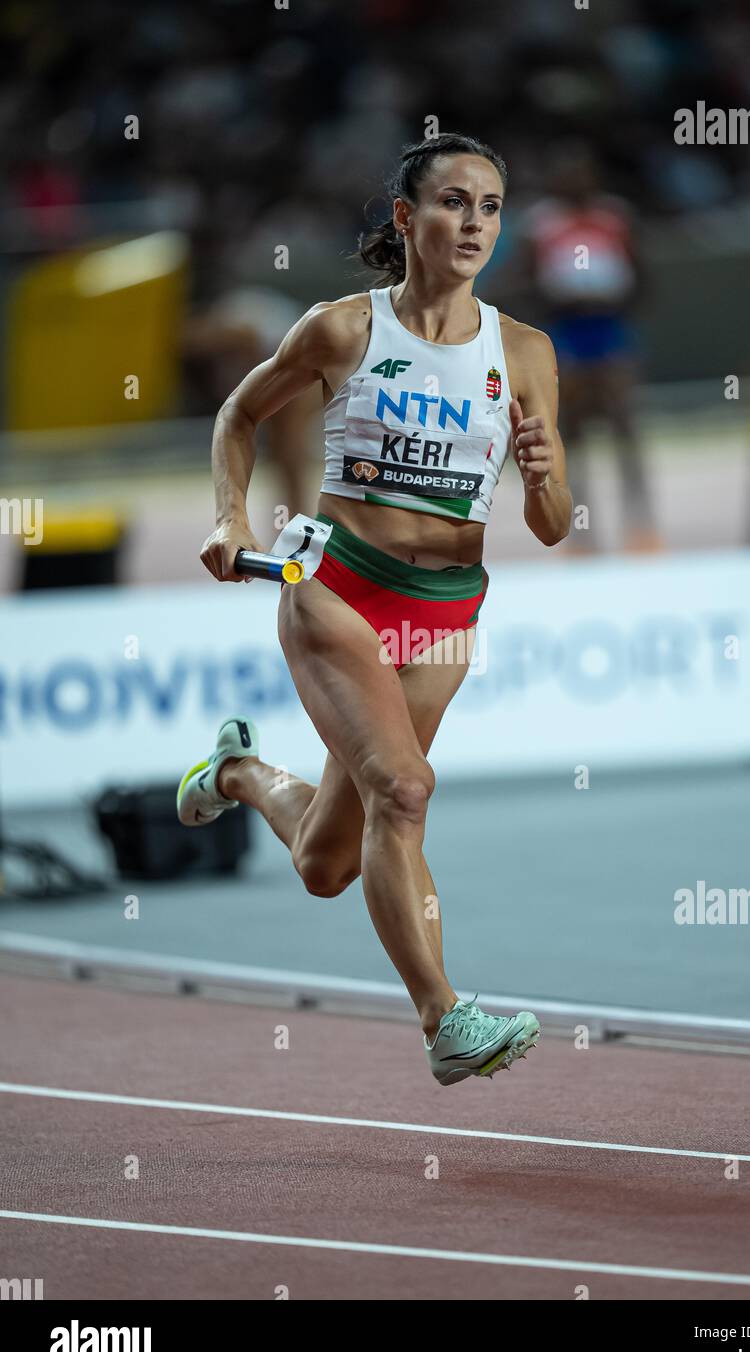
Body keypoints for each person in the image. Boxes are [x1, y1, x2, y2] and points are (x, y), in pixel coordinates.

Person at [177, 133, 572, 1086]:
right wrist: (232, 515)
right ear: (407, 218)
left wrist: (548, 478)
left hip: (444, 611)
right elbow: (238, 414)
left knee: (329, 864)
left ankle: (237, 774)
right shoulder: (342, 330)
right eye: (451, 203)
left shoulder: (523, 351)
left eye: (488, 206)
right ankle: (446, 1019)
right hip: (333, 587)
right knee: (405, 790)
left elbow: (552, 526)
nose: (472, 223)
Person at [518, 143, 660, 552]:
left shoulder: (614, 216)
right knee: (571, 434)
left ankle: (640, 522)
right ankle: (581, 528)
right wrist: (555, 303)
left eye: (583, 174)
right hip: (567, 330)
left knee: (625, 426)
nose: (576, 182)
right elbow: (525, 281)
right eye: (567, 175)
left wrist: (618, 303)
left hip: (610, 329)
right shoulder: (541, 224)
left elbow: (643, 276)